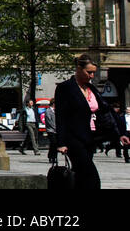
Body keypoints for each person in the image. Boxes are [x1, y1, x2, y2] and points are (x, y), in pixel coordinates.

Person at [53, 53, 130, 189]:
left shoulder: (91, 89)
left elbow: (107, 111)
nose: (92, 76)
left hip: (90, 138)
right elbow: (61, 116)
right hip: (74, 138)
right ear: (78, 68)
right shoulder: (66, 88)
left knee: (81, 176)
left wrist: (120, 133)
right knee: (91, 177)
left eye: (94, 73)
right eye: (89, 72)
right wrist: (61, 142)